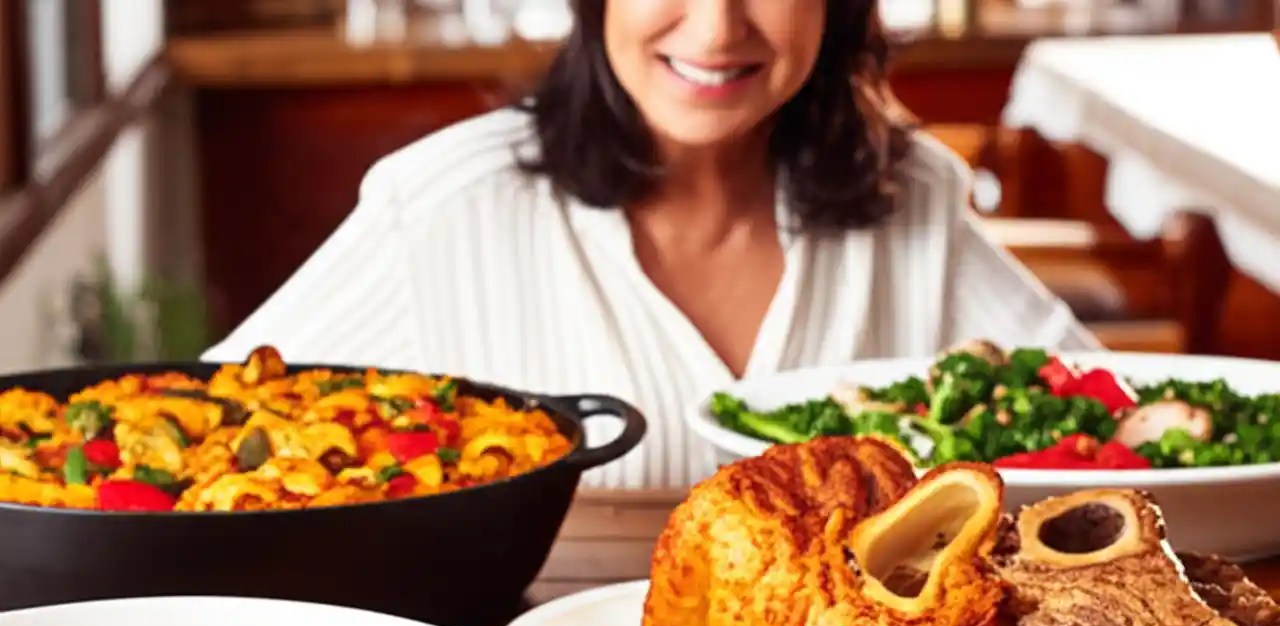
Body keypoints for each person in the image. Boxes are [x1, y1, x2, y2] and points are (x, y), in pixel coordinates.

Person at [202, 0, 1100, 493]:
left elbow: (1115, 428)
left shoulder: (911, 194)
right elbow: (201, 444)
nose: (715, 29)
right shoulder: (441, 205)